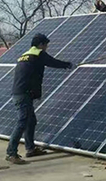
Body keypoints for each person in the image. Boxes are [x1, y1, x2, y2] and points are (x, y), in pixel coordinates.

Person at [6, 33, 75, 164]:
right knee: (23, 122)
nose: (47, 47)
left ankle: (30, 149)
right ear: (41, 45)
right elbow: (52, 62)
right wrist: (68, 65)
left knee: (31, 121)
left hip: (19, 93)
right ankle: (11, 153)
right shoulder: (38, 54)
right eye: (46, 45)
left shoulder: (24, 56)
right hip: (24, 94)